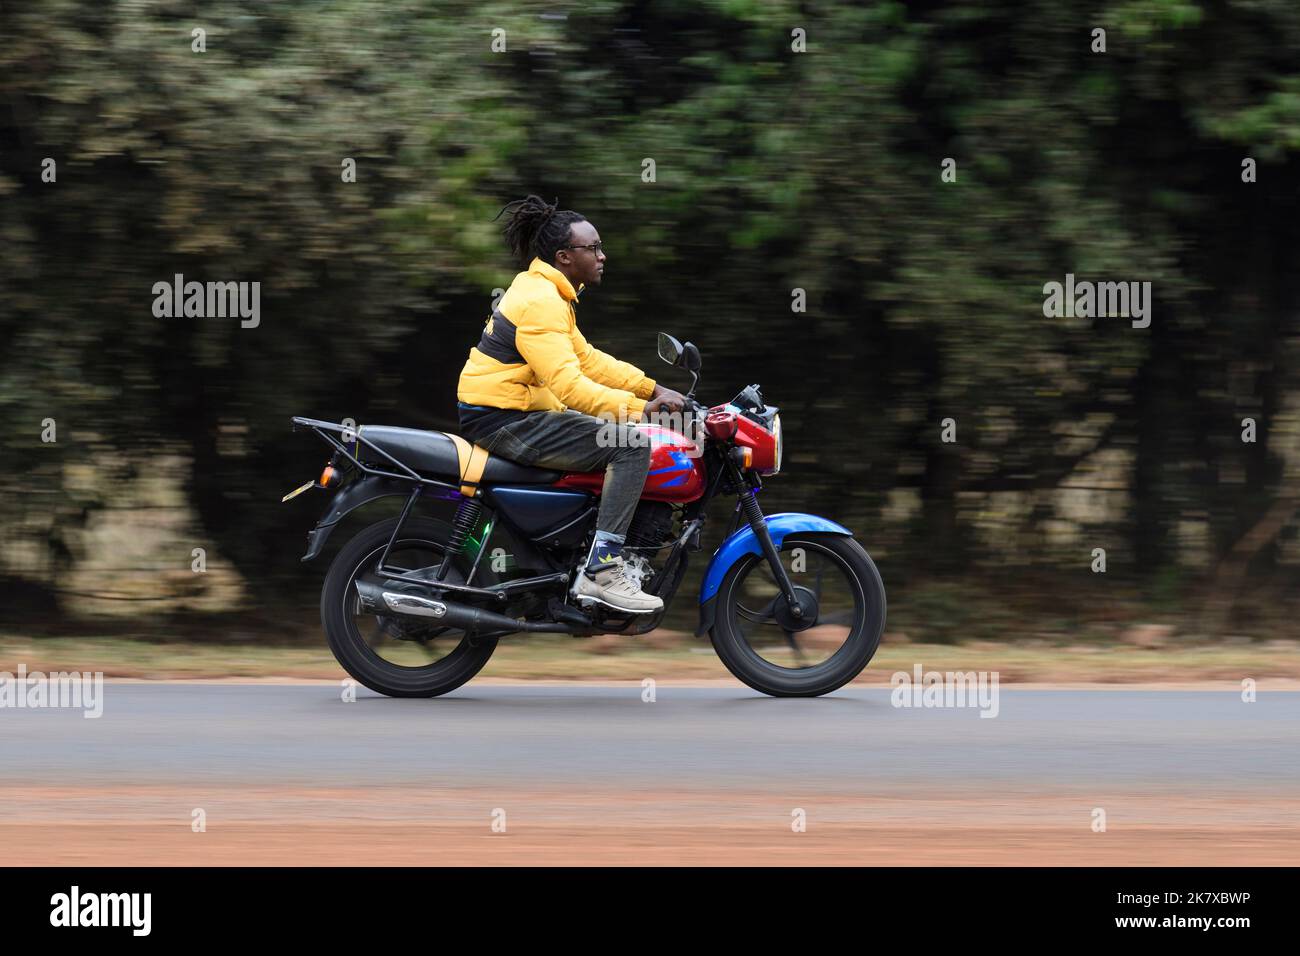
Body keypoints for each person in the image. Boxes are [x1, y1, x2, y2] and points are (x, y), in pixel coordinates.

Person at [456, 195, 687, 614]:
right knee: (631, 445)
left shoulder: (549, 293)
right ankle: (602, 570)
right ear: (564, 257)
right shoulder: (542, 302)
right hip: (504, 418)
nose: (602, 256)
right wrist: (639, 412)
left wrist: (653, 389)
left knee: (611, 432)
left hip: (516, 410)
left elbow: (588, 360)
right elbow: (570, 386)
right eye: (593, 248)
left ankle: (579, 555)